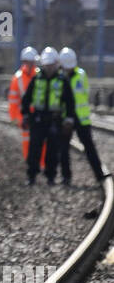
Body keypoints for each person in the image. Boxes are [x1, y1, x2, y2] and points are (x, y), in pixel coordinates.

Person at [20, 46, 75, 186]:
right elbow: (26, 100)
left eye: (51, 65)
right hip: (37, 120)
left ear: (56, 64)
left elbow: (70, 102)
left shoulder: (62, 80)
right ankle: (31, 176)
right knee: (34, 149)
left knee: (52, 151)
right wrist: (25, 115)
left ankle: (51, 177)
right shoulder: (37, 79)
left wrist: (68, 119)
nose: (49, 68)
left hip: (55, 120)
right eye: (46, 65)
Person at [57, 47, 108, 185]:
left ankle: (99, 174)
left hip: (81, 117)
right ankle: (65, 177)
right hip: (65, 118)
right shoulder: (59, 77)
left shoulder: (81, 74)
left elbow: (83, 95)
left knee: (89, 146)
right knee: (63, 148)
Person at [8, 45, 45, 167]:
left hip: (39, 114)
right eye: (29, 62)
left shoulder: (39, 75)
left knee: (42, 141)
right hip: (23, 115)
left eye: (33, 62)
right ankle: (30, 164)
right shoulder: (17, 78)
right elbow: (13, 99)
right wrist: (14, 117)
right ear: (24, 62)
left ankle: (42, 164)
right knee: (27, 141)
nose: (31, 64)